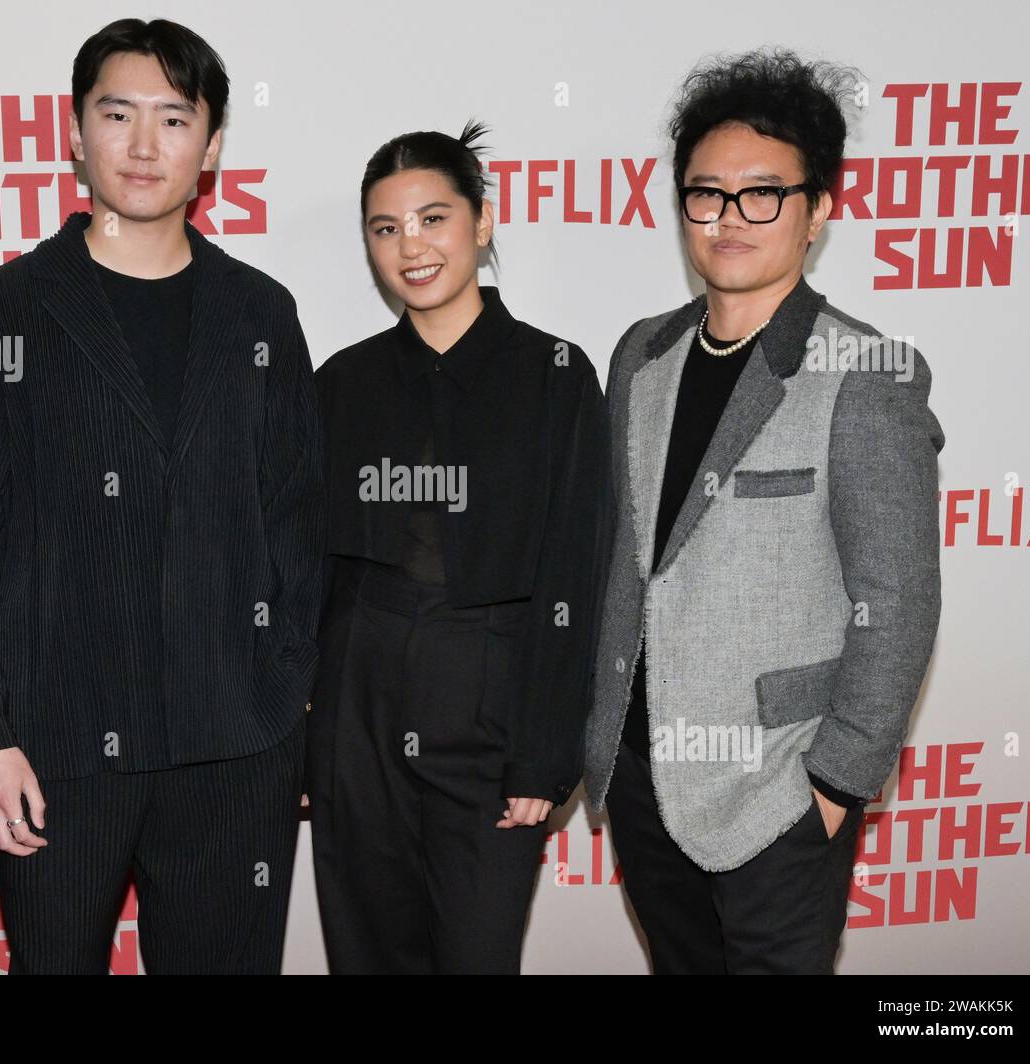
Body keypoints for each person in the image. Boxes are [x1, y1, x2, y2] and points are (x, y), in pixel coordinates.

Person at [0, 18, 324, 974]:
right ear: (74, 130)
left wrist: (286, 704)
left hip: (233, 745)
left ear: (212, 145)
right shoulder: (3, 309)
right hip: (55, 746)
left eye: (174, 119)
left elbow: (300, 526)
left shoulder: (262, 312)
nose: (145, 147)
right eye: (118, 113)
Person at [584, 48, 944, 974]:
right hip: (641, 775)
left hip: (778, 790)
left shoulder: (864, 374)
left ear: (818, 210)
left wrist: (832, 785)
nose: (730, 218)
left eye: (763, 194)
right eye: (707, 195)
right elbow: (630, 557)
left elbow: (897, 602)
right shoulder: (641, 354)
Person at [305, 121, 609, 974]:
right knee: (368, 955)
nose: (412, 247)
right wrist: (305, 733)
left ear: (482, 221)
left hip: (492, 708)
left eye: (433, 218)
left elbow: (576, 573)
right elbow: (306, 573)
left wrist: (547, 755)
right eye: (386, 228)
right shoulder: (341, 384)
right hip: (356, 712)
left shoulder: (556, 376)